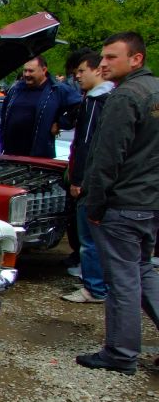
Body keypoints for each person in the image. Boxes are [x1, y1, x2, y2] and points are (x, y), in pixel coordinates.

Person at [76, 31, 159, 375]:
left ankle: (121, 352)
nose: (103, 63)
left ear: (135, 59)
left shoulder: (125, 97)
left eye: (111, 57)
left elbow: (107, 157)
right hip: (149, 202)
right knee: (143, 269)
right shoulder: (155, 90)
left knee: (122, 280)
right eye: (103, 57)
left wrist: (94, 206)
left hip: (123, 203)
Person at [61, 51, 114, 304]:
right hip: (104, 178)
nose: (77, 76)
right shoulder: (108, 98)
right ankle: (102, 283)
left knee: (89, 238)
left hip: (90, 180)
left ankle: (94, 287)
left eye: (82, 71)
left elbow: (86, 144)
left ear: (96, 70)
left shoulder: (97, 101)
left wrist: (78, 179)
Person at [0, 56, 81, 158]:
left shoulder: (57, 90)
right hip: (10, 153)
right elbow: (3, 115)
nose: (27, 74)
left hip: (39, 155)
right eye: (25, 71)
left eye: (31, 71)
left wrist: (60, 123)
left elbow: (79, 106)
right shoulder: (15, 89)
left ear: (44, 70)